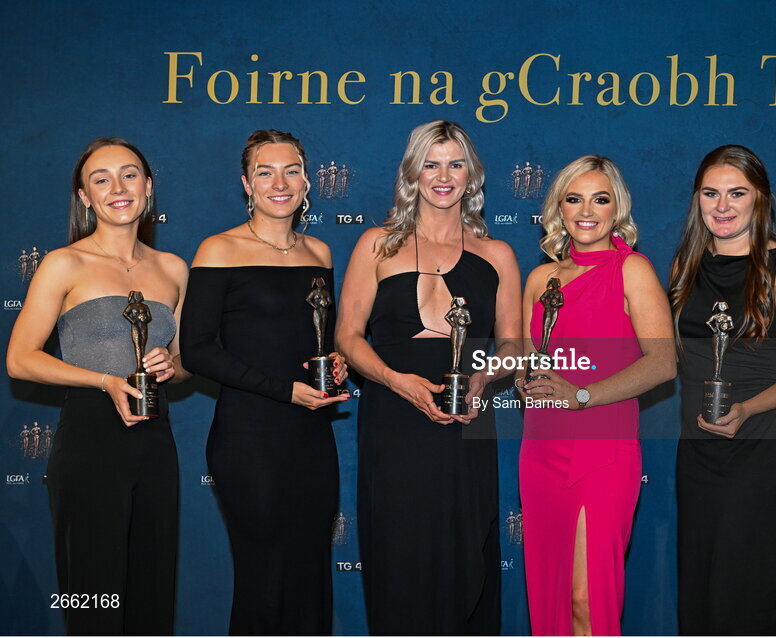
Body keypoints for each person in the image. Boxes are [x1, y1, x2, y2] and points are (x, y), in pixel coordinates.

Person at [336, 120, 521, 635]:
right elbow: (347, 338)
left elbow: (512, 343)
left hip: (466, 424)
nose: (444, 176)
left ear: (472, 174)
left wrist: (483, 380)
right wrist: (396, 381)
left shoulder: (498, 254)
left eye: (455, 164)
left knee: (467, 553)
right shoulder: (376, 245)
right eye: (431, 163)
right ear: (412, 173)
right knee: (401, 555)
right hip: (394, 425)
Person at [6, 138, 188, 635]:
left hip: (155, 438)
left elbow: (185, 362)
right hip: (90, 438)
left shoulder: (173, 269)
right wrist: (104, 381)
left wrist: (173, 366)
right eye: (101, 179)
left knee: (152, 594)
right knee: (95, 599)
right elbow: (20, 360)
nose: (117, 188)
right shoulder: (64, 263)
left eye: (129, 175)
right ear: (85, 197)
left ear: (148, 187)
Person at [179, 129, 348, 635]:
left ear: (307, 179)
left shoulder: (319, 253)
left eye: (291, 169)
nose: (280, 182)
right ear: (246, 184)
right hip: (248, 438)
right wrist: (285, 391)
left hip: (311, 437)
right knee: (264, 574)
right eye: (265, 172)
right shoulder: (219, 249)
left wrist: (335, 361)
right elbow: (198, 350)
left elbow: (319, 340)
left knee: (310, 571)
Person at [668, 145, 776, 635]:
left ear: (761, 199)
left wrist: (747, 408)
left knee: (752, 598)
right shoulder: (686, 264)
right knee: (702, 595)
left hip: (765, 448)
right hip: (699, 453)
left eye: (737, 193)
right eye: (711, 193)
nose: (723, 206)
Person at [516, 155, 675, 636]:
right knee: (553, 597)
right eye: (574, 198)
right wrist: (528, 381)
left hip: (603, 452)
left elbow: (663, 363)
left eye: (600, 199)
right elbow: (532, 362)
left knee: (587, 597)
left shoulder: (633, 270)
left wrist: (581, 395)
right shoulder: (538, 280)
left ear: (616, 209)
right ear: (559, 209)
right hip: (542, 450)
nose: (587, 210)